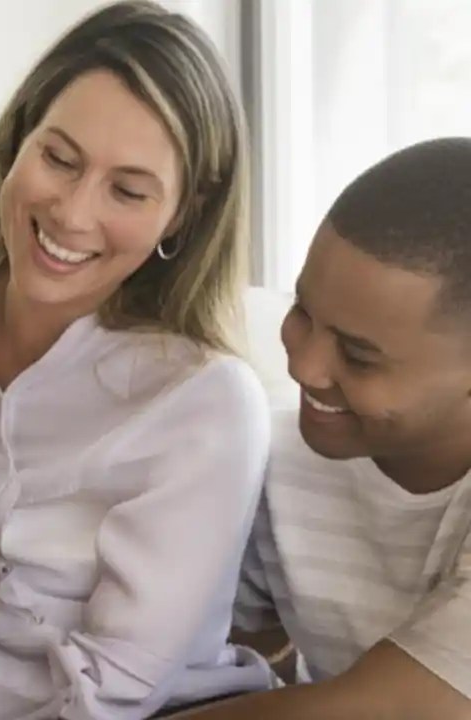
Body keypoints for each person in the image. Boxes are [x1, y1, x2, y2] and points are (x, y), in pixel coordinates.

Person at [0, 2, 274, 717]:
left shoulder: (203, 401)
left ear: (185, 210)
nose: (72, 214)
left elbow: (112, 693)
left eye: (127, 190)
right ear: (19, 137)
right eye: (59, 159)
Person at [175, 139, 471, 719]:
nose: (305, 367)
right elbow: (201, 657)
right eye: (302, 313)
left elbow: (394, 711)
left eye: (359, 357)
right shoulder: (273, 462)